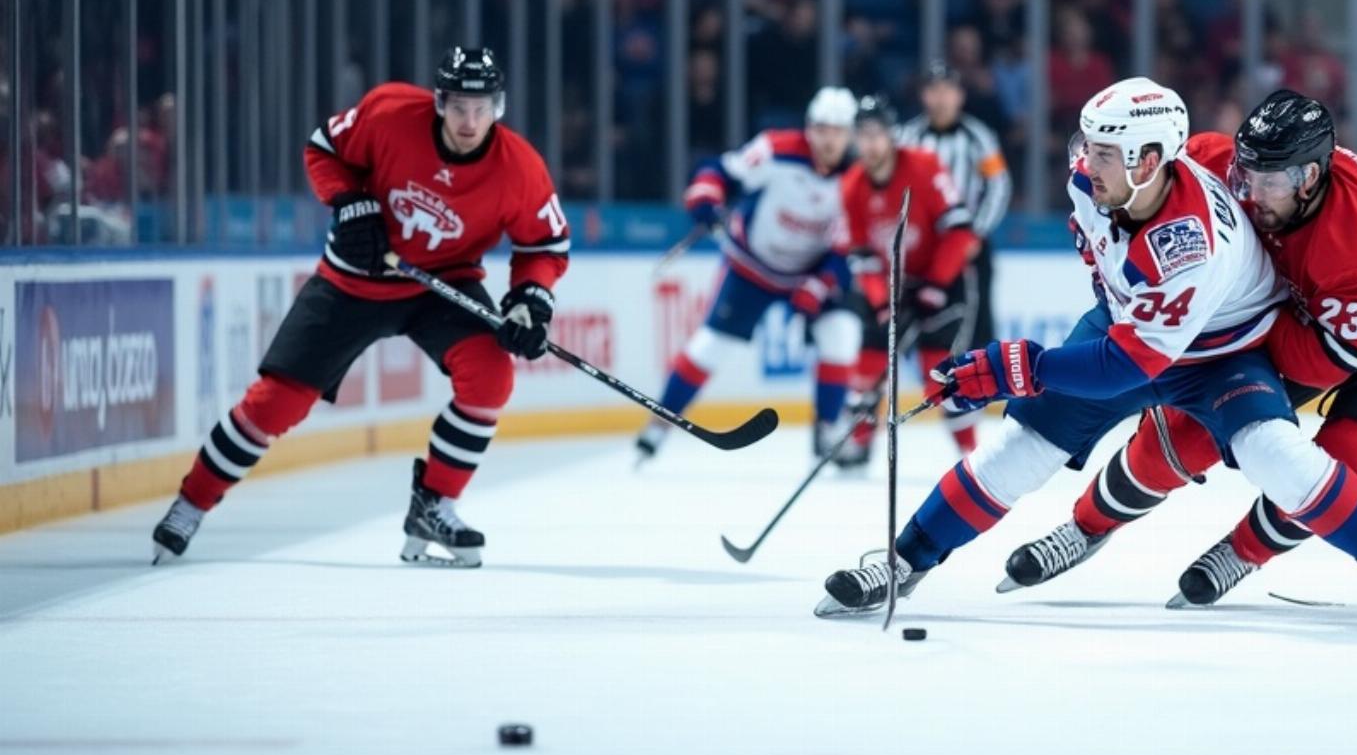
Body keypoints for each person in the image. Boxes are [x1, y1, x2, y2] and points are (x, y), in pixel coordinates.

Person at [818, 79, 1357, 631]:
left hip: (1238, 350)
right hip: (1140, 329)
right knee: (1018, 449)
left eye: (1104, 151)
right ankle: (903, 562)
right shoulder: (1103, 179)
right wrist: (1037, 376)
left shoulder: (1193, 246)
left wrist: (1025, 367)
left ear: (1147, 159)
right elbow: (1116, 306)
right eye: (1087, 144)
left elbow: (1131, 366)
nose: (1084, 161)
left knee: (1281, 454)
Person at [1002, 90, 1357, 609]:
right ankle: (1085, 527)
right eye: (1246, 175)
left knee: (1344, 457)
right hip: (1318, 308)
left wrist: (1239, 326)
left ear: (1308, 178)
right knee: (1190, 429)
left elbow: (1320, 360)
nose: (1252, 192)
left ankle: (1243, 552)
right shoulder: (1214, 162)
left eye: (1270, 182)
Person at [151, 48, 570, 567]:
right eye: (459, 106)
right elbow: (323, 148)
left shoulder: (520, 168)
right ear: (439, 102)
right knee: (276, 403)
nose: (469, 121)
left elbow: (545, 246)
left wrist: (532, 300)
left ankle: (435, 504)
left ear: (498, 108)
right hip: (352, 282)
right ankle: (189, 505)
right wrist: (350, 203)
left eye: (481, 108)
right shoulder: (390, 112)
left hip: (442, 283)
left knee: (491, 376)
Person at [633, 88, 862, 464]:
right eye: (821, 128)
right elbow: (721, 171)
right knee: (709, 347)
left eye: (837, 130)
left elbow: (847, 248)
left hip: (809, 274)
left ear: (850, 134)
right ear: (808, 127)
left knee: (841, 335)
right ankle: (657, 427)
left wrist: (821, 284)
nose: (829, 139)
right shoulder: (777, 149)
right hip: (751, 268)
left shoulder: (858, 178)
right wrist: (706, 195)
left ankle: (827, 430)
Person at [831, 95, 980, 464]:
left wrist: (936, 283)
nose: (869, 143)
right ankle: (859, 447)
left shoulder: (925, 166)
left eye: (876, 133)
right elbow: (863, 257)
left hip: (942, 282)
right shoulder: (851, 186)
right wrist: (882, 303)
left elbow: (960, 232)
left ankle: (972, 456)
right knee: (867, 367)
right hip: (892, 287)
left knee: (938, 374)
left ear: (891, 134)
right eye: (861, 135)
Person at [896, 62, 1014, 452]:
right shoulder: (907, 137)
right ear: (924, 95)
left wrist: (976, 232)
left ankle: (975, 402)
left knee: (978, 325)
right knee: (920, 327)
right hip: (923, 255)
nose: (941, 98)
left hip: (970, 250)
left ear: (959, 95)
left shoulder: (978, 137)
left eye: (948, 90)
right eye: (934, 90)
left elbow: (998, 186)